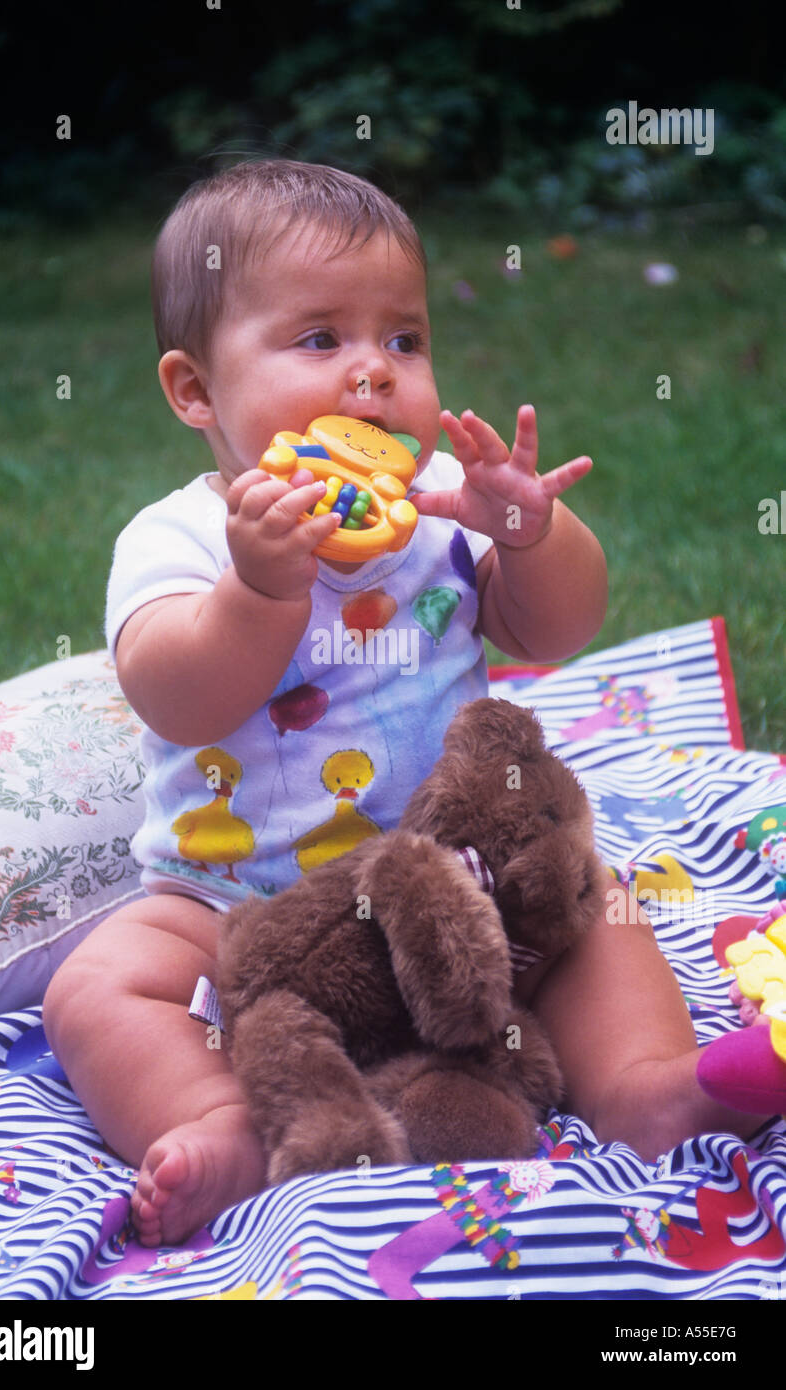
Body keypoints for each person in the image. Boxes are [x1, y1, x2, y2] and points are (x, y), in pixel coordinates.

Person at [42, 158, 771, 1249]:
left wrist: (528, 534)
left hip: (460, 885)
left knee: (593, 901)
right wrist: (259, 590)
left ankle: (652, 1087)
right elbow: (178, 697)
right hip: (235, 899)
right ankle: (223, 1119)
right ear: (195, 389)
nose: (373, 375)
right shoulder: (183, 541)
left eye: (405, 340)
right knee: (96, 988)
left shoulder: (433, 516)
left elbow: (556, 629)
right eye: (321, 339)